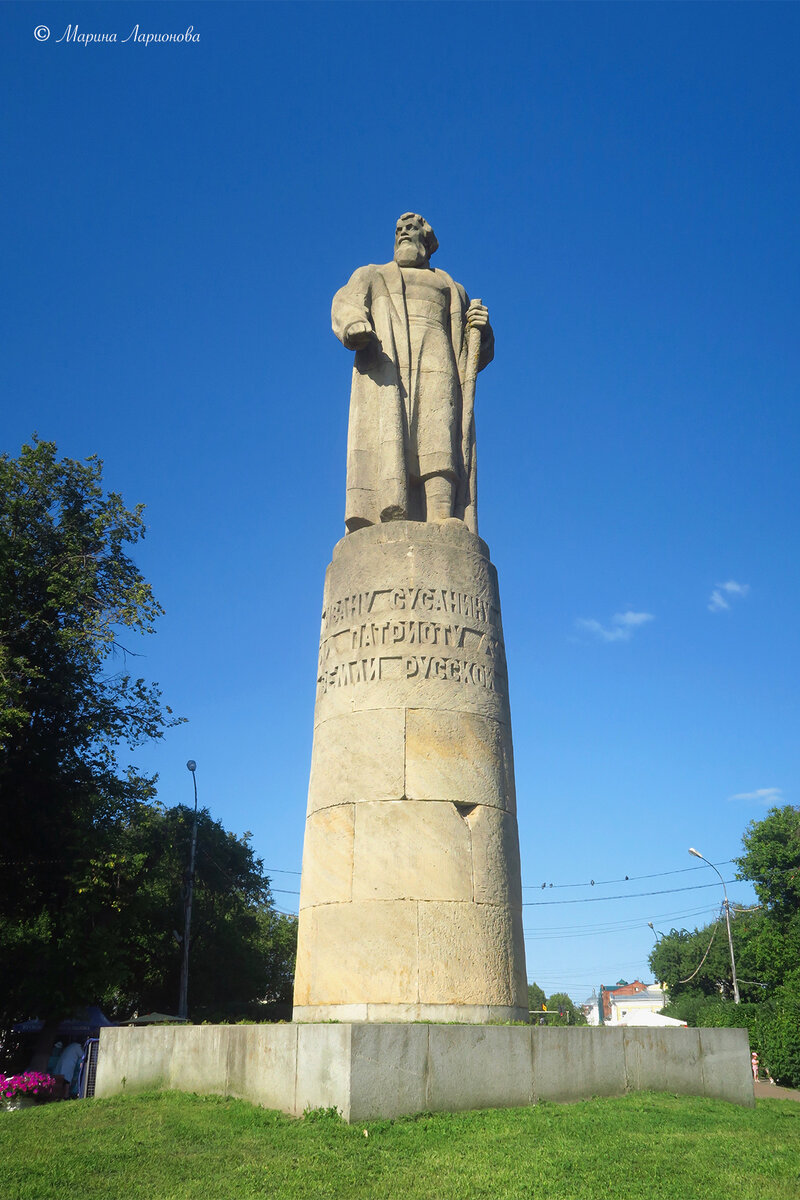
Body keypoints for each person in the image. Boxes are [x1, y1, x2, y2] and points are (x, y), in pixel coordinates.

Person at [332, 213, 494, 533]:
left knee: (439, 432)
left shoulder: (451, 286)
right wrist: (354, 324)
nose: (404, 233)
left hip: (438, 358)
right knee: (393, 439)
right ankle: (392, 513)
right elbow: (345, 301)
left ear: (427, 240)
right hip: (388, 360)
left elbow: (474, 354)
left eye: (411, 229)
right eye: (399, 230)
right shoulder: (373, 274)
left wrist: (482, 328)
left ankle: (442, 514)